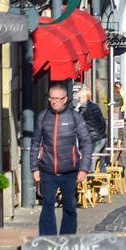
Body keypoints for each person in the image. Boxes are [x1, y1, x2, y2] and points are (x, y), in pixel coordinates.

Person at [30, 82, 92, 236]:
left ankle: (67, 239)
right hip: (47, 170)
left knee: (70, 207)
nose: (54, 102)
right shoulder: (43, 117)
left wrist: (84, 169)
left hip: (70, 171)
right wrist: (34, 168)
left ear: (65, 99)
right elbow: (35, 143)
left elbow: (86, 142)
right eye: (51, 98)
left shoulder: (74, 117)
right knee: (48, 205)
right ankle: (47, 240)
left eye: (57, 99)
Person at [74, 85, 107, 172]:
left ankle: (90, 180)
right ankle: (106, 183)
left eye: (79, 97)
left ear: (84, 97)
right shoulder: (95, 106)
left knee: (90, 161)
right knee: (101, 163)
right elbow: (103, 122)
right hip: (102, 136)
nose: (78, 99)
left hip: (94, 138)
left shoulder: (84, 108)